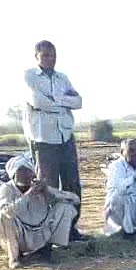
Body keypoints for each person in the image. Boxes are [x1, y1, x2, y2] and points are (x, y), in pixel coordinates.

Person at [23, 40, 85, 241]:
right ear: (37, 57)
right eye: (46, 55)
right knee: (47, 185)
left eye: (53, 55)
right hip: (43, 138)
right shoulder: (30, 76)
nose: (51, 59)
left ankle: (70, 230)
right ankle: (47, 233)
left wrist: (55, 100)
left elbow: (79, 101)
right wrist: (63, 103)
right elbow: (37, 102)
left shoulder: (62, 77)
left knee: (72, 184)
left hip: (65, 135)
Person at [0, 156, 77, 268]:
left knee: (65, 208)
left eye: (29, 170)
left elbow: (74, 199)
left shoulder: (38, 186)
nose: (26, 174)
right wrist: (28, 195)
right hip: (18, 234)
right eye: (22, 171)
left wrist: (47, 192)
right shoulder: (6, 189)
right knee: (4, 216)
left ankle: (45, 251)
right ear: (14, 174)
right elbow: (6, 211)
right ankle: (14, 258)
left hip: (39, 232)